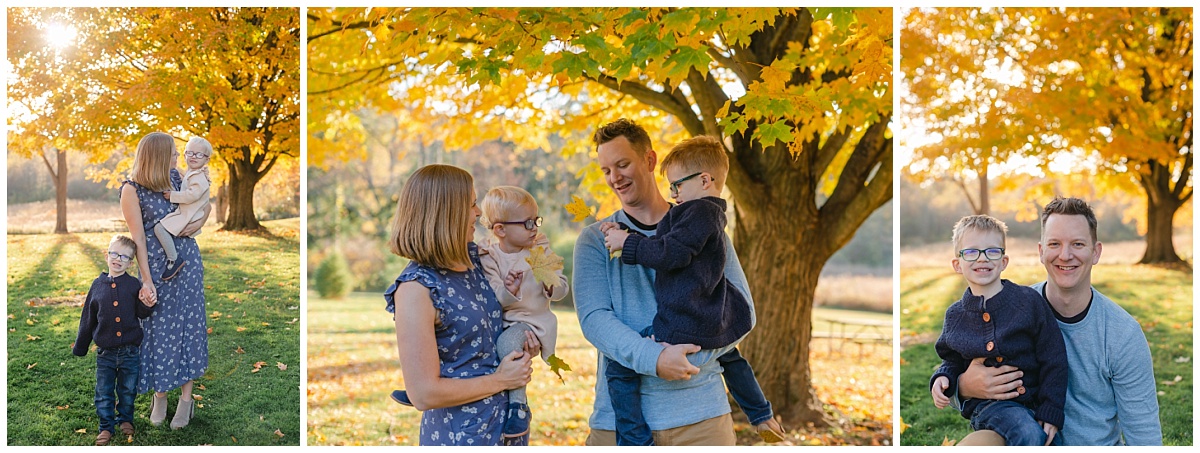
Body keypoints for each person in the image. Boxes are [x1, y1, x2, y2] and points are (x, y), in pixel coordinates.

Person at [573, 118, 758, 446]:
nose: (614, 178)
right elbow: (595, 321)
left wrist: (688, 359)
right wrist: (655, 359)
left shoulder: (705, 228)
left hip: (701, 419)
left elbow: (743, 312)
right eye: (606, 170)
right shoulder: (595, 239)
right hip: (618, 424)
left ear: (649, 160)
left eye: (622, 165)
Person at [951, 197, 1162, 445]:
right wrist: (962, 386)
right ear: (1041, 251)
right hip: (1019, 437)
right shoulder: (1011, 308)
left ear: (1096, 252)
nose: (1065, 255)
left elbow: (1144, 433)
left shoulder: (1123, 334)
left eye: (1078, 244)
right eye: (1054, 244)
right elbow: (954, 360)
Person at [390, 185, 569, 439]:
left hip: (505, 429)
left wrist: (520, 348)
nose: (478, 213)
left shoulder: (476, 258)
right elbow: (425, 394)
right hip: (462, 434)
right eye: (471, 204)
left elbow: (491, 327)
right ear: (444, 212)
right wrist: (503, 379)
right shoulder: (417, 287)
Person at [929, 215, 1066, 446]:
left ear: (1003, 261)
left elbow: (1054, 358)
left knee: (1049, 441)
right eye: (971, 252)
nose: (982, 258)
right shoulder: (955, 315)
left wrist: (1051, 410)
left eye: (992, 251)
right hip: (989, 406)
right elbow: (952, 360)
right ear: (957, 265)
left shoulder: (1028, 303)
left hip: (1034, 402)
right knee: (1028, 434)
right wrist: (943, 378)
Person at [120, 131, 210, 430]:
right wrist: (146, 280)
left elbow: (202, 204)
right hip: (157, 269)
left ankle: (186, 400)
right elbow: (138, 239)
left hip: (188, 264)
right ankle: (160, 396)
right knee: (158, 331)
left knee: (188, 328)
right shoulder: (131, 189)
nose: (177, 157)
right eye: (172, 153)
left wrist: (200, 221)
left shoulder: (177, 177)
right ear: (157, 156)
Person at [73, 235, 156, 445]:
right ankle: (106, 426)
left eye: (124, 257)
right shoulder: (97, 285)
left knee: (127, 389)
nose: (118, 259)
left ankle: (125, 419)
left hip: (130, 351)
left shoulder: (133, 284)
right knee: (104, 392)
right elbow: (88, 318)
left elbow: (141, 313)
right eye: (115, 254)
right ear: (106, 255)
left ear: (131, 263)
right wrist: (81, 346)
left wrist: (147, 304)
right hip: (106, 353)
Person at [154, 137, 212, 281]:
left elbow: (192, 195)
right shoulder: (190, 174)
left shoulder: (198, 177)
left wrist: (173, 195)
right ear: (185, 154)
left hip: (188, 215)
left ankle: (173, 259)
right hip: (187, 212)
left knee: (159, 228)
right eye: (190, 153)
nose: (193, 156)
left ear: (207, 159)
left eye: (199, 154)